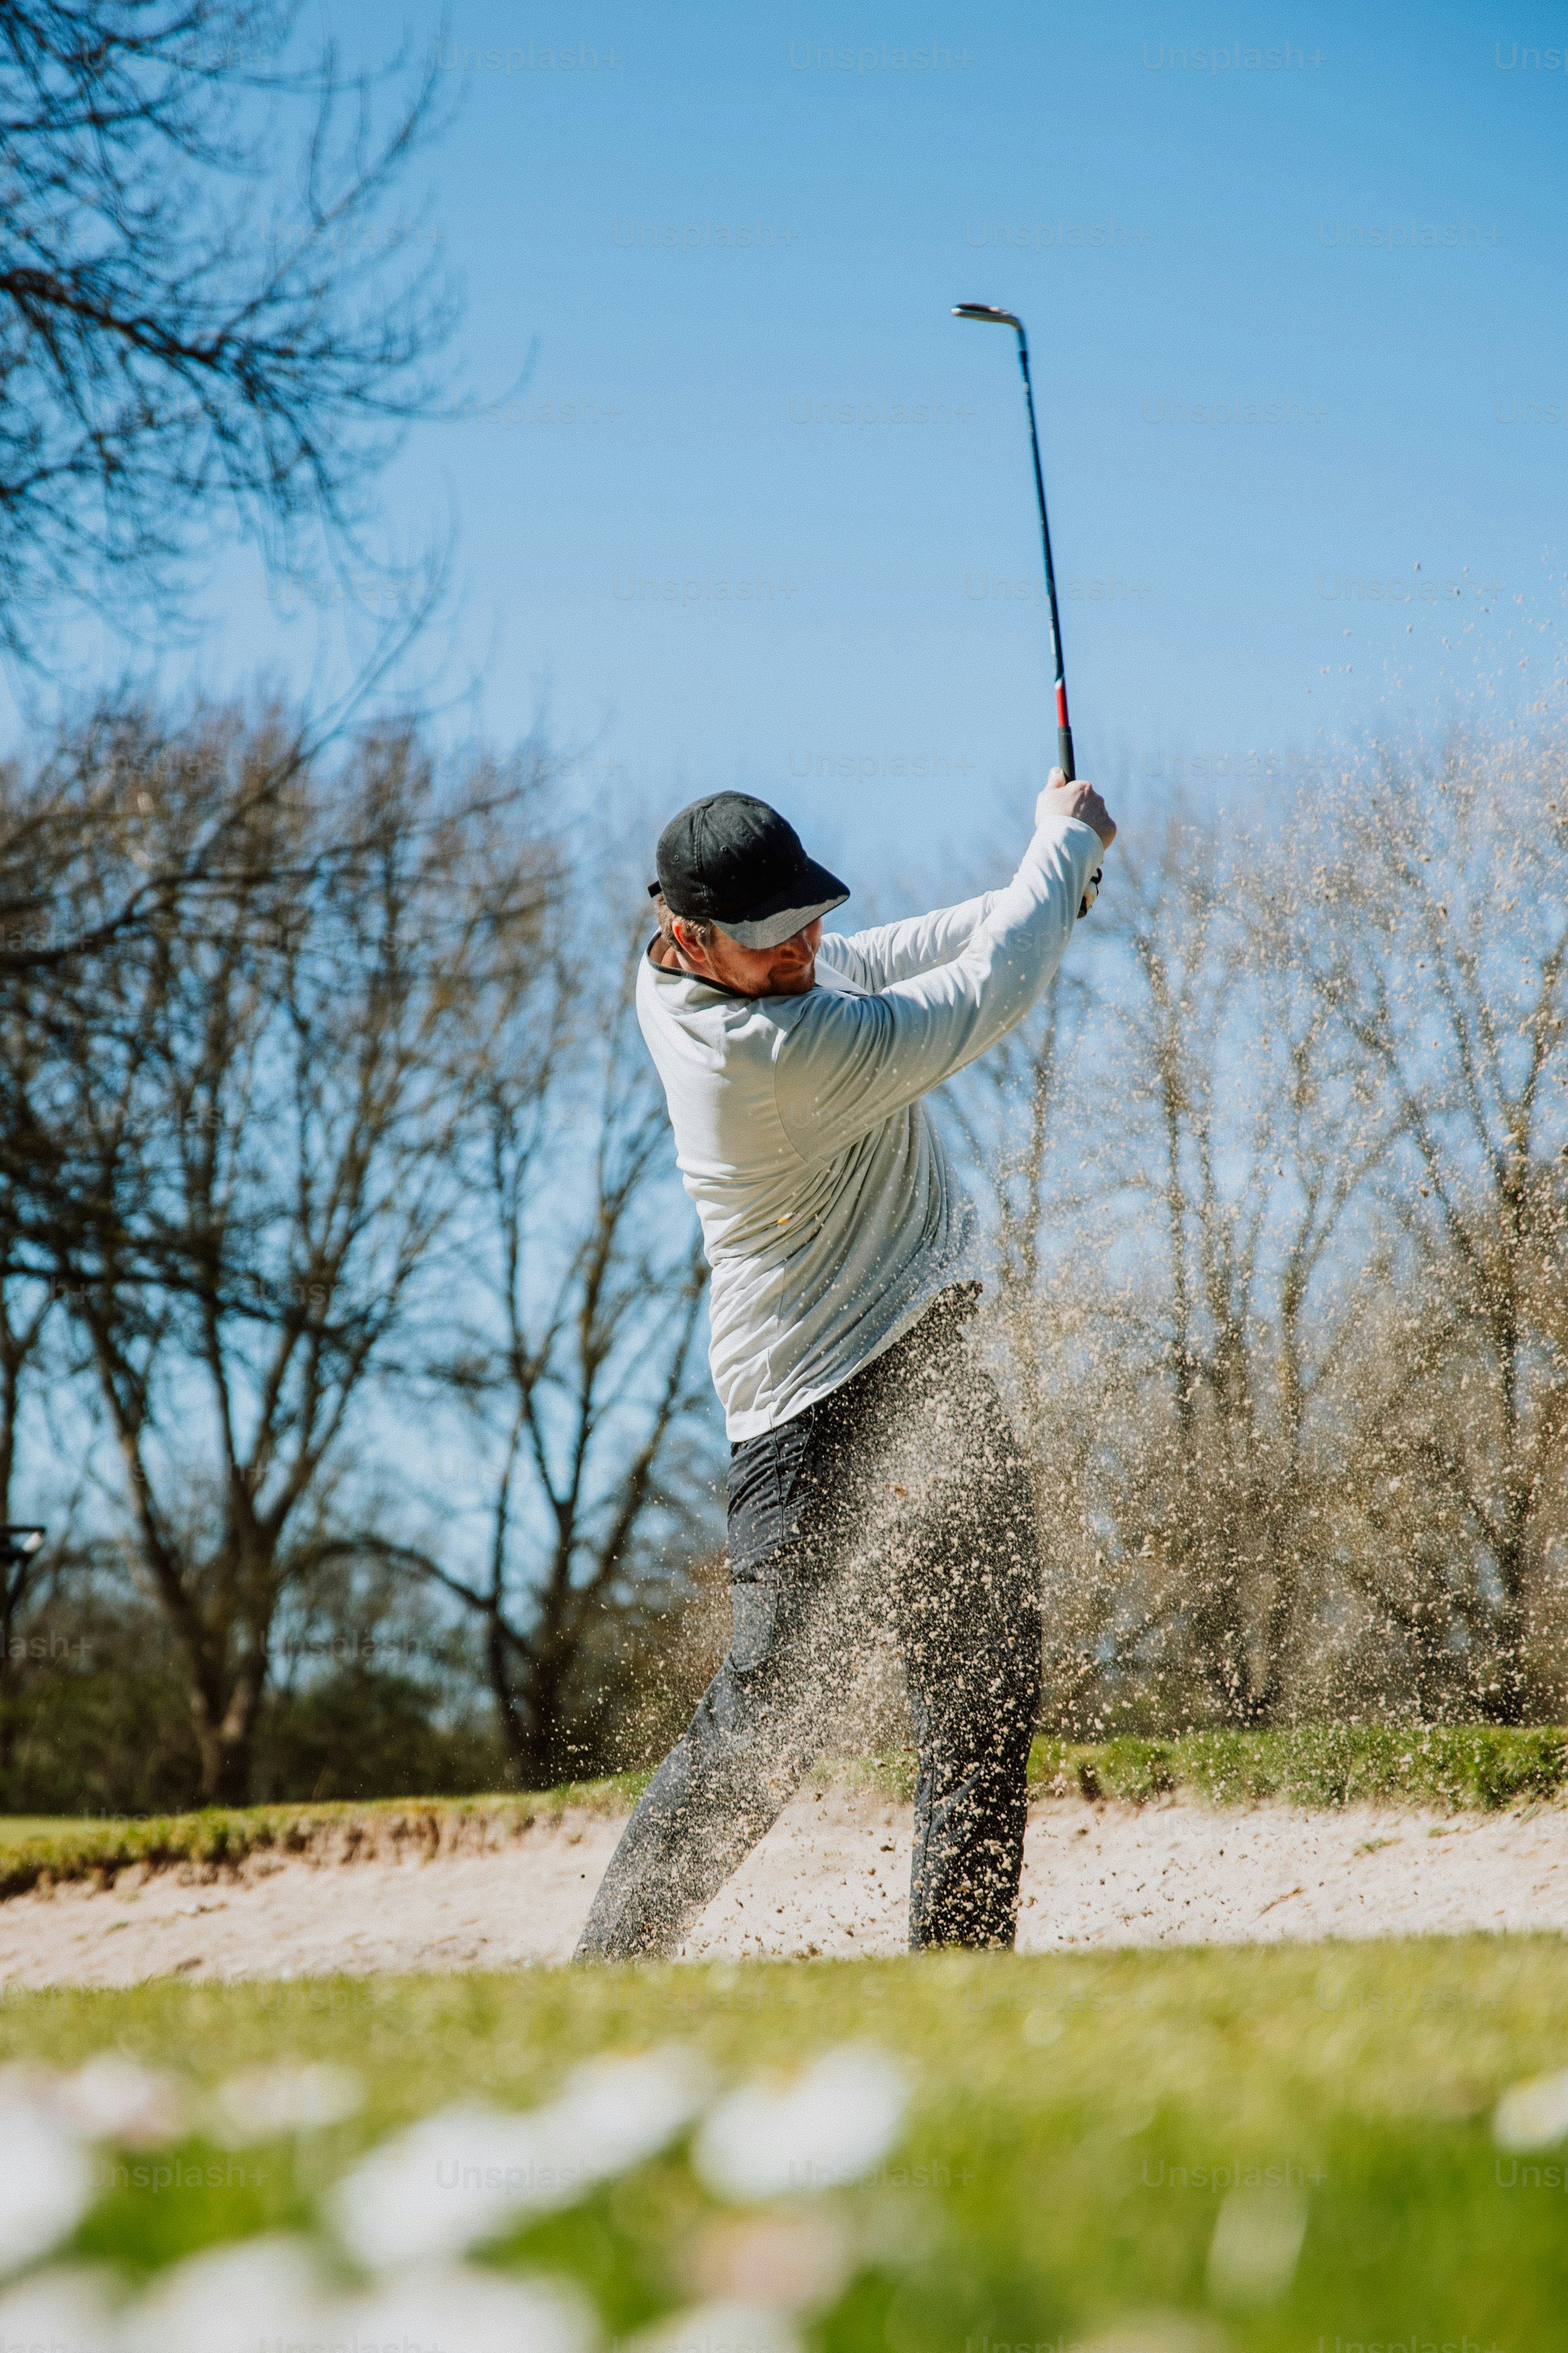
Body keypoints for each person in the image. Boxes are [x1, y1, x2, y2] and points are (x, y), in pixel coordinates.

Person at [574, 770, 1116, 1959]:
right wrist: (1056, 853)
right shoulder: (758, 1058)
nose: (804, 951)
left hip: (928, 1369)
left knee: (983, 1684)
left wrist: (1042, 882)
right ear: (688, 936)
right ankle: (601, 1977)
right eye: (773, 941)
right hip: (813, 1418)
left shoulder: (738, 965)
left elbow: (886, 952)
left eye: (806, 920)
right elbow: (978, 998)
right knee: (769, 1720)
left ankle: (958, 1983)